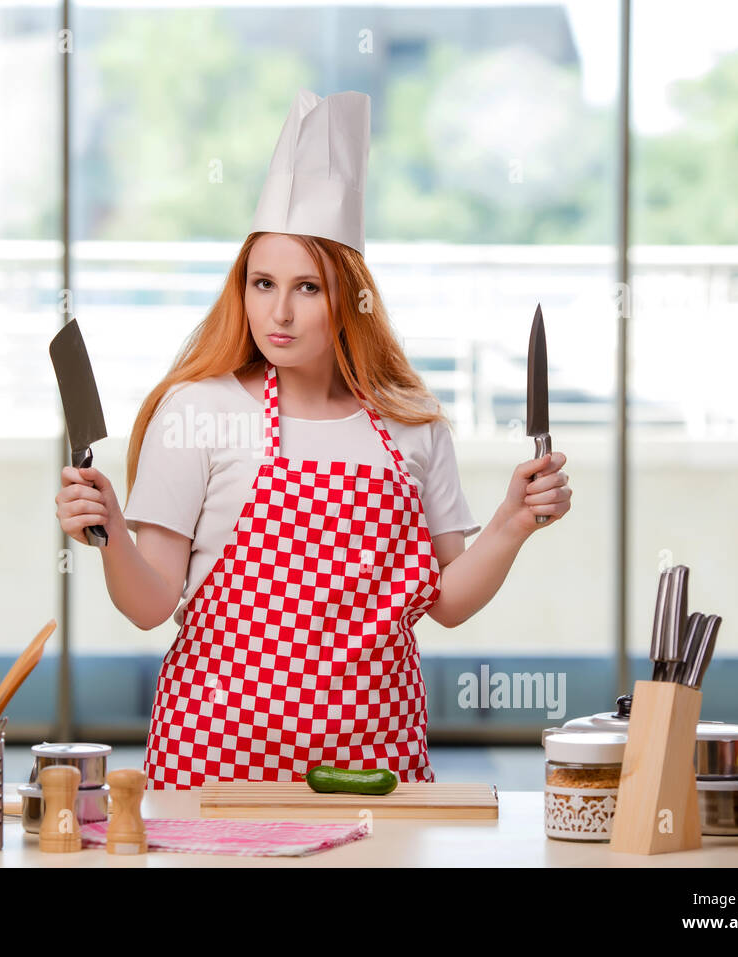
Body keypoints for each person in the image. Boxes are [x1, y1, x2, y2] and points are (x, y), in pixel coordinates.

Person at [54, 89, 571, 789]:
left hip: (373, 770)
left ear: (349, 299)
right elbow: (150, 606)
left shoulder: (410, 425)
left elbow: (445, 602)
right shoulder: (197, 411)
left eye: (308, 288)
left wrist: (512, 522)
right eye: (263, 283)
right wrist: (110, 527)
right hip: (214, 766)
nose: (280, 312)